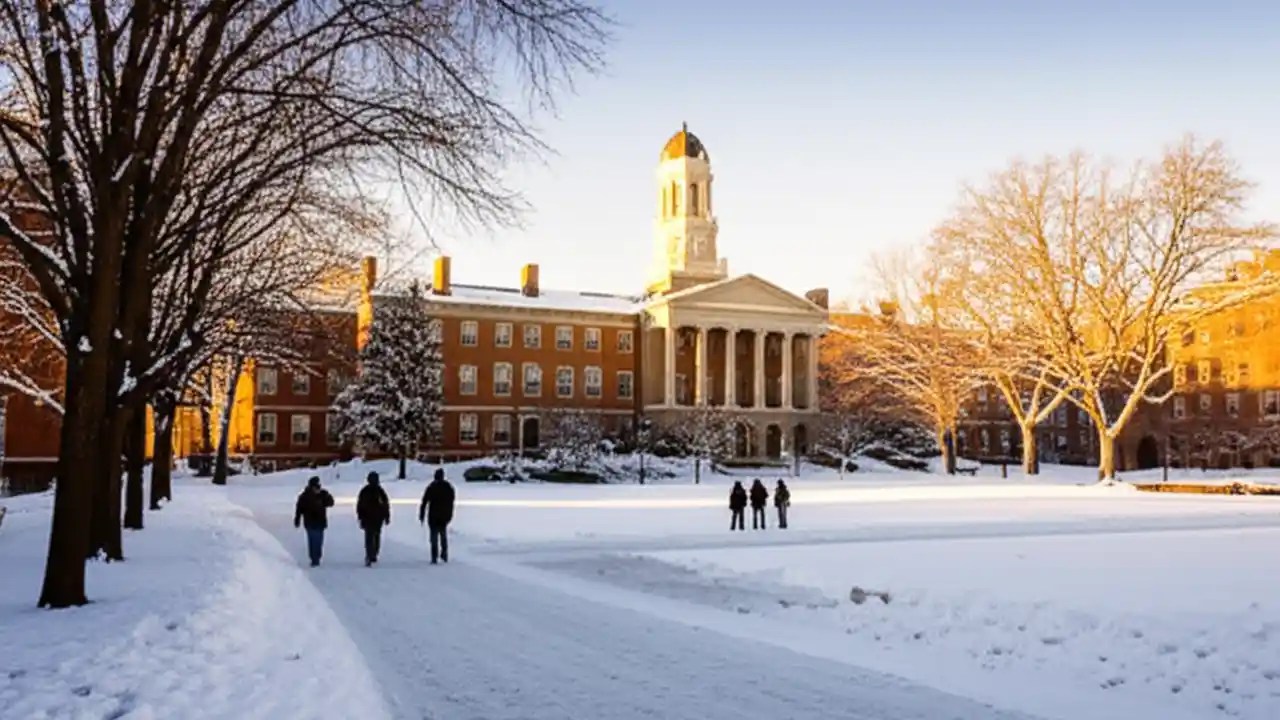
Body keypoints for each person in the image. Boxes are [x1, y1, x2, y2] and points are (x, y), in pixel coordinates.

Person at [294, 476, 335, 567]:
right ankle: (314, 558)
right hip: (310, 522)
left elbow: (331, 503)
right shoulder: (304, 496)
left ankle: (317, 556)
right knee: (312, 540)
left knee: (319, 541)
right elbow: (299, 508)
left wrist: (327, 496)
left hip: (320, 522)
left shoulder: (322, 494)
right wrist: (297, 519)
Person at [418, 468, 456, 564]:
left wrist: (422, 514)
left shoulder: (432, 487)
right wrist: (450, 514)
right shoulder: (448, 487)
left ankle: (434, 556)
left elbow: (424, 501)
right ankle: (444, 553)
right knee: (443, 535)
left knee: (434, 537)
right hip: (444, 516)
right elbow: (451, 501)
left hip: (433, 516)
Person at [356, 471, 391, 567]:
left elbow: (360, 505)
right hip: (375, 517)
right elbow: (385, 505)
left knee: (370, 537)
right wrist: (387, 516)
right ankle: (372, 554)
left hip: (371, 517)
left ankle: (371, 553)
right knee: (375, 536)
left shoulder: (368, 491)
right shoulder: (378, 491)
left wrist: (360, 516)